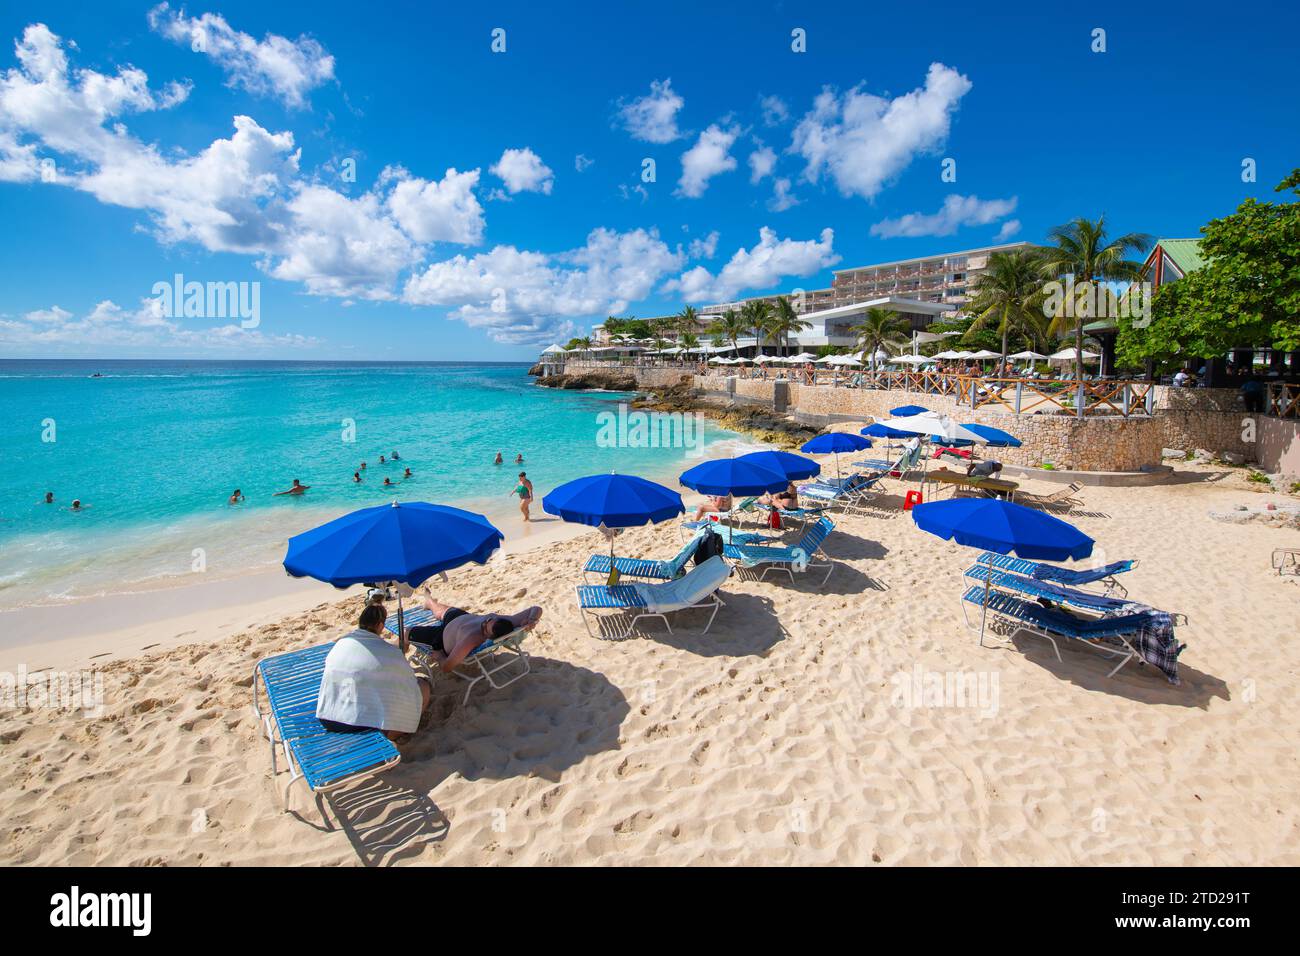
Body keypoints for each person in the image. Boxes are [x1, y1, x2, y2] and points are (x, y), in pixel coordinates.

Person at [316, 602, 430, 741]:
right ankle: (392, 736)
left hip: (328, 717)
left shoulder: (342, 642)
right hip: (358, 723)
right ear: (381, 626)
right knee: (422, 688)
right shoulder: (390, 653)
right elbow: (409, 685)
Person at [405, 595, 543, 674]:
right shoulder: (506, 622)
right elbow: (536, 608)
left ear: (488, 637)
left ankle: (401, 656)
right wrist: (532, 620)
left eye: (484, 628)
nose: (483, 623)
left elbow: (447, 667)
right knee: (441, 611)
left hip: (440, 636)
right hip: (460, 618)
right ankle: (430, 602)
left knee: (407, 631)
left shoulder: (471, 639)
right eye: (488, 619)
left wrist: (440, 656)